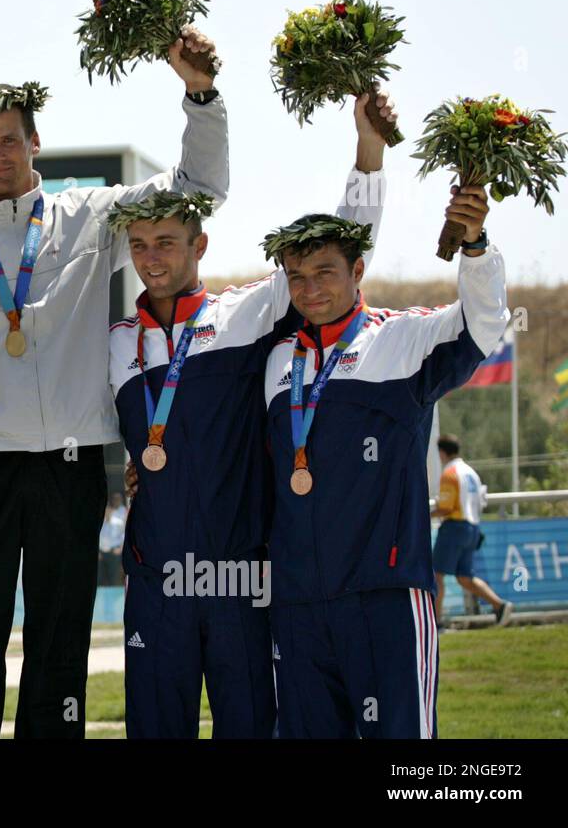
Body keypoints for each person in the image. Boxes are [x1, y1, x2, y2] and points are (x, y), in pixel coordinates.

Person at [0, 25, 228, 738]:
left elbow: (196, 188)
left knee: (60, 651)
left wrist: (199, 95)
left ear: (35, 143)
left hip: (75, 467)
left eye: (9, 140)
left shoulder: (95, 216)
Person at [108, 92, 395, 738]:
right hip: (156, 578)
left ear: (200, 243)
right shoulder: (114, 343)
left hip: (239, 574)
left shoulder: (242, 315)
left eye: (167, 242)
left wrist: (367, 155)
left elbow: (340, 244)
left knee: (247, 729)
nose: (152, 256)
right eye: (140, 244)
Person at [260, 185, 507, 738]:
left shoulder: (401, 339)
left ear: (357, 271)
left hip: (386, 595)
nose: (309, 289)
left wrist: (476, 247)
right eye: (297, 276)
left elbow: (482, 325)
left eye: (325, 272)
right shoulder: (277, 359)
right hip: (298, 601)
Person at [432, 434, 513, 626]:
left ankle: (435, 621)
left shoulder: (449, 474)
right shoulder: (471, 473)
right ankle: (499, 605)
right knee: (465, 578)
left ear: (442, 452)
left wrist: (422, 517)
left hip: (454, 527)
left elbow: (445, 508)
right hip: (473, 527)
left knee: (436, 574)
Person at [97, 494, 127, 587]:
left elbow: (125, 532)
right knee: (99, 579)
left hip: (115, 551)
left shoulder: (124, 512)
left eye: (118, 499)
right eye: (114, 499)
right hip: (101, 552)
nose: (116, 500)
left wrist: (121, 547)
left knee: (113, 579)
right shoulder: (105, 510)